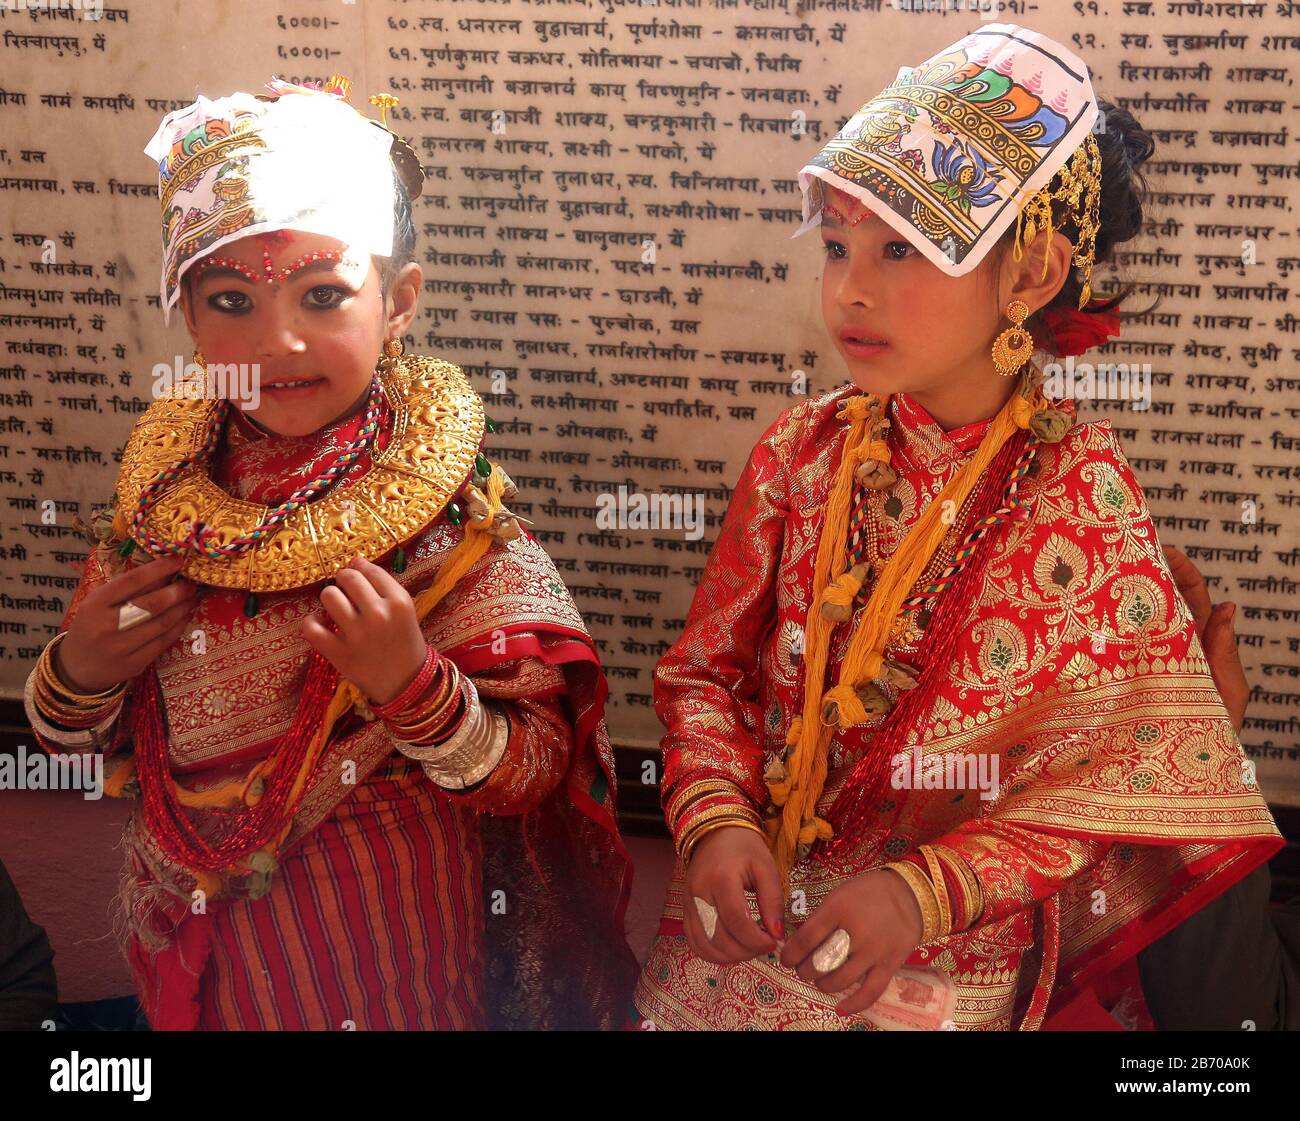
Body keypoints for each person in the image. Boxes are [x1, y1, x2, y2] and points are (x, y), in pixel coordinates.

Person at [631, 24, 1282, 1030]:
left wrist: (924, 888)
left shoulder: (1078, 491)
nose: (849, 287)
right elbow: (703, 671)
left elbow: (1119, 771)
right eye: (839, 246)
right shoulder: (800, 453)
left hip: (938, 974)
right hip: (737, 939)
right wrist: (713, 817)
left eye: (904, 250)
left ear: (1027, 275)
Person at [23, 75, 636, 1030]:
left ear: (398, 302)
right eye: (231, 300)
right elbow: (73, 736)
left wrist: (413, 687)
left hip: (389, 924)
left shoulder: (444, 521)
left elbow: (534, 771)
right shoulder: (165, 507)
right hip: (194, 928)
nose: (278, 340)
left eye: (323, 294)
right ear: (187, 317)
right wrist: (77, 672)